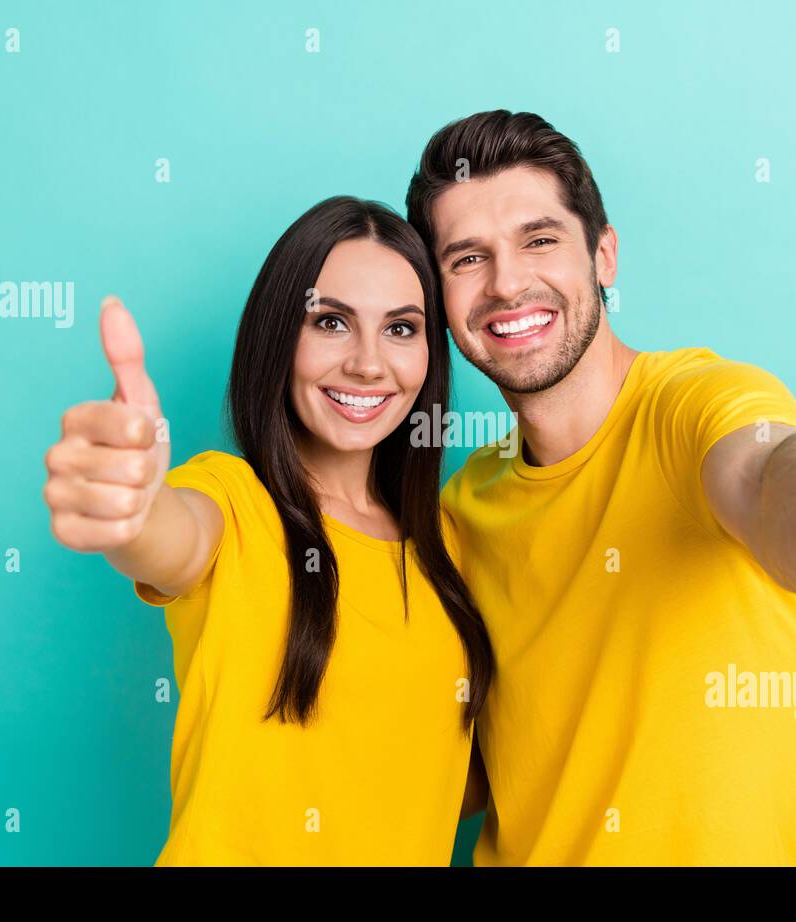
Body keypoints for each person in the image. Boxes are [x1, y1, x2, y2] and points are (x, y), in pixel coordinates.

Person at [406, 110, 796, 865]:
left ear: (604, 255)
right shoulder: (460, 510)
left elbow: (766, 483)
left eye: (539, 240)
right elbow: (466, 773)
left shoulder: (701, 406)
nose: (507, 282)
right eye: (466, 259)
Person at [43, 196, 494, 865]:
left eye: (401, 328)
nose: (369, 364)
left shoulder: (450, 549)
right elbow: (171, 536)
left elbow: (442, 782)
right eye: (331, 322)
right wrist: (130, 505)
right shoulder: (232, 501)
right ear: (278, 336)